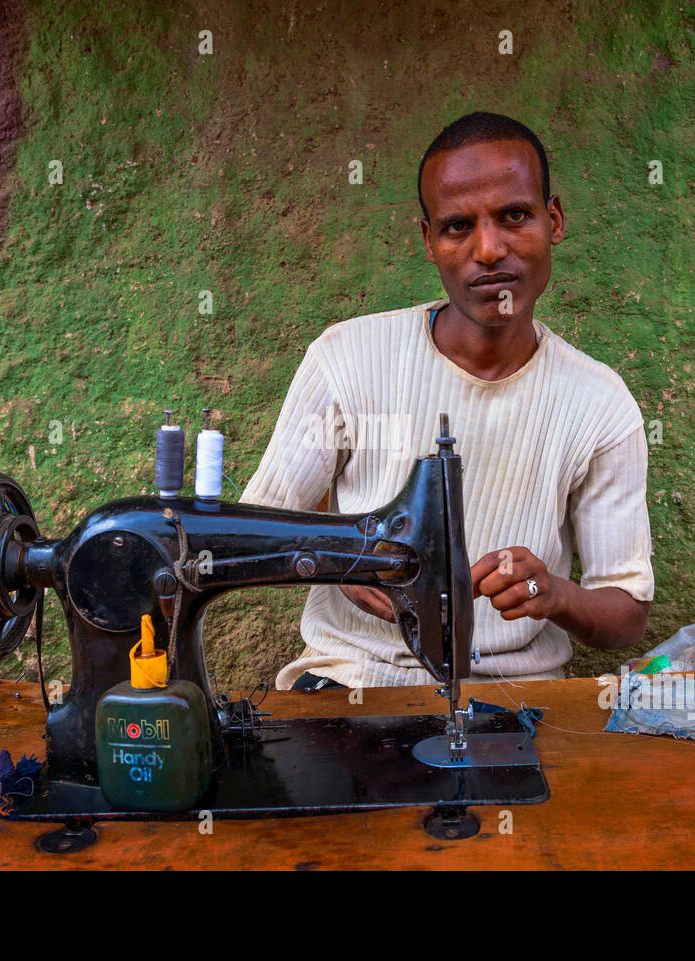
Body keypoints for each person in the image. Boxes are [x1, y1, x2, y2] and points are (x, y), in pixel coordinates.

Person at [240, 111, 653, 691]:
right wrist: (337, 556)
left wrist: (555, 594)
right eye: (458, 226)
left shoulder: (600, 404)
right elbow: (253, 532)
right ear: (430, 242)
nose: (488, 249)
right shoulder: (348, 359)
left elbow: (627, 613)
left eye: (514, 215)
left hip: (514, 693)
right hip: (357, 678)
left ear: (553, 220)